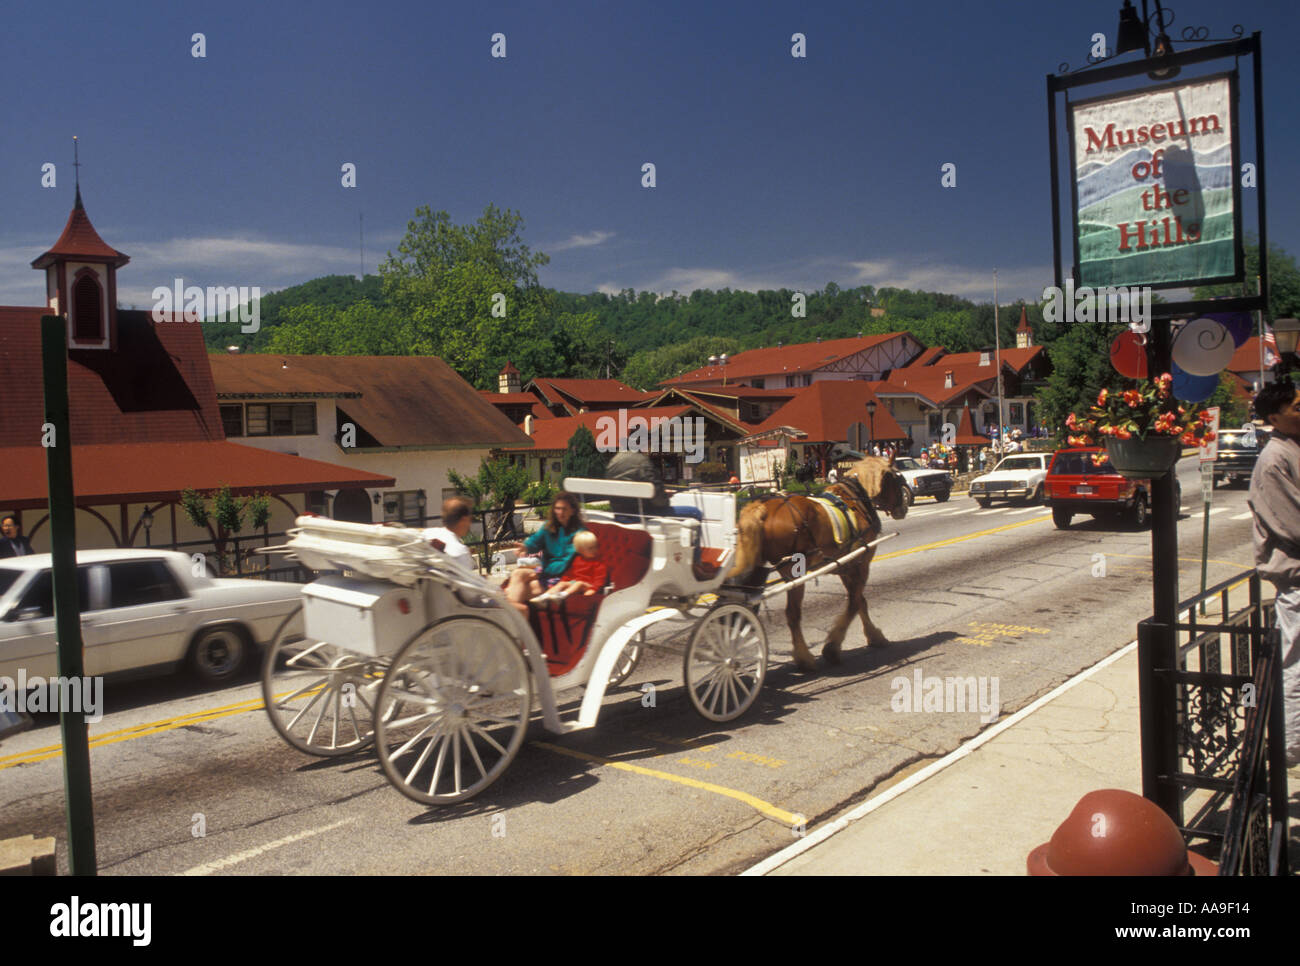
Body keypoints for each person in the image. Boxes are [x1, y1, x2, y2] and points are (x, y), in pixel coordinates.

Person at [1247, 379, 1300, 766]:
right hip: (1296, 581)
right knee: (1294, 667)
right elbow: (1292, 524)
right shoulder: (1273, 460)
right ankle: (1289, 753)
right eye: (1296, 407)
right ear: (1274, 418)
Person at [504, 493, 583, 614]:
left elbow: (566, 561)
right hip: (545, 573)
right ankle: (519, 613)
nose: (560, 512)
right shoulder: (549, 527)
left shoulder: (579, 533)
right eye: (557, 508)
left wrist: (542, 572)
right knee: (518, 573)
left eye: (564, 509)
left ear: (572, 511)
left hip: (561, 578)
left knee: (518, 589)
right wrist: (525, 546)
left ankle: (514, 615)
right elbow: (535, 540)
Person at [532, 530, 609, 606]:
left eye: (596, 547)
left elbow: (600, 579)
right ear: (580, 550)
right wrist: (564, 581)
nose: (594, 550)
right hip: (574, 583)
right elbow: (570, 573)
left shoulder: (599, 563)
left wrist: (594, 589)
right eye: (590, 548)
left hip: (589, 585)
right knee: (562, 583)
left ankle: (561, 596)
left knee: (579, 583)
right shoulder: (577, 559)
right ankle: (543, 597)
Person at [421, 497, 475, 572]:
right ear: (464, 520)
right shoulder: (460, 552)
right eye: (470, 519)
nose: (470, 523)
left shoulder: (426, 534)